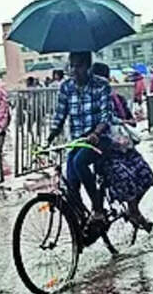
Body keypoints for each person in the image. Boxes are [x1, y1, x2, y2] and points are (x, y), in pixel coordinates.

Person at [91, 62, 153, 232]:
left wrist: (122, 123)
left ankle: (133, 209)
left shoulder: (117, 98)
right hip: (107, 153)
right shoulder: (91, 103)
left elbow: (132, 122)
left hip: (126, 149)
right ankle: (132, 212)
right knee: (125, 179)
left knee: (147, 176)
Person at [48, 51, 113, 224]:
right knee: (71, 181)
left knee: (79, 163)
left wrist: (96, 133)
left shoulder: (101, 85)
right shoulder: (66, 87)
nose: (75, 70)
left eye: (79, 66)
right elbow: (60, 115)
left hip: (100, 139)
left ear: (88, 67)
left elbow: (107, 117)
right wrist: (49, 138)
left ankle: (98, 208)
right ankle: (80, 221)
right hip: (77, 141)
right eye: (72, 66)